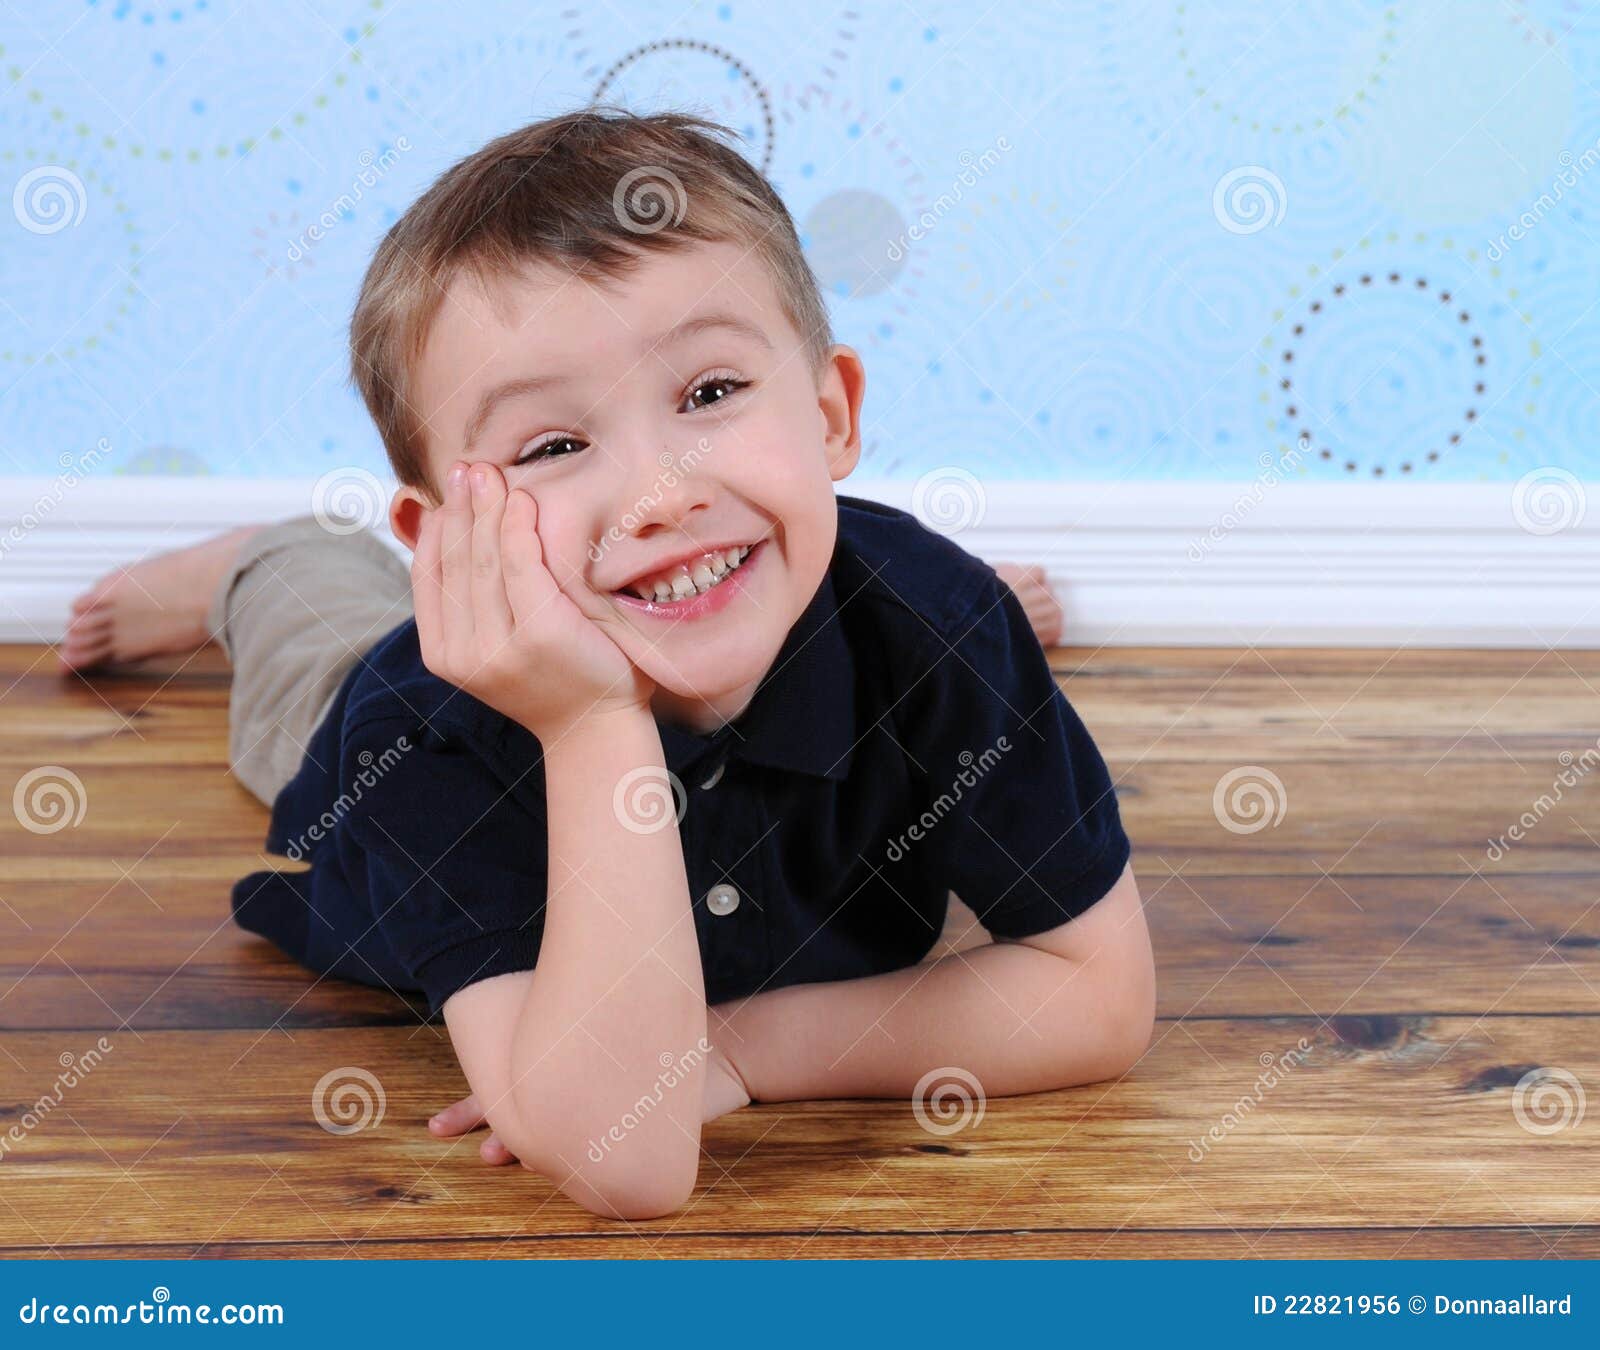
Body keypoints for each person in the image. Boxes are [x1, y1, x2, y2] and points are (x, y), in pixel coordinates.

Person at [60, 108, 1154, 1221]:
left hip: (816, 592)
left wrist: (735, 1049)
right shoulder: (417, 736)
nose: (660, 494)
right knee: (319, 650)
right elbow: (626, 1157)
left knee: (922, 599)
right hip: (392, 696)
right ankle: (265, 562)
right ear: (443, 536)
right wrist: (588, 724)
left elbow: (1099, 999)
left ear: (831, 417)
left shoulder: (939, 625)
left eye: (710, 394)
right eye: (554, 447)